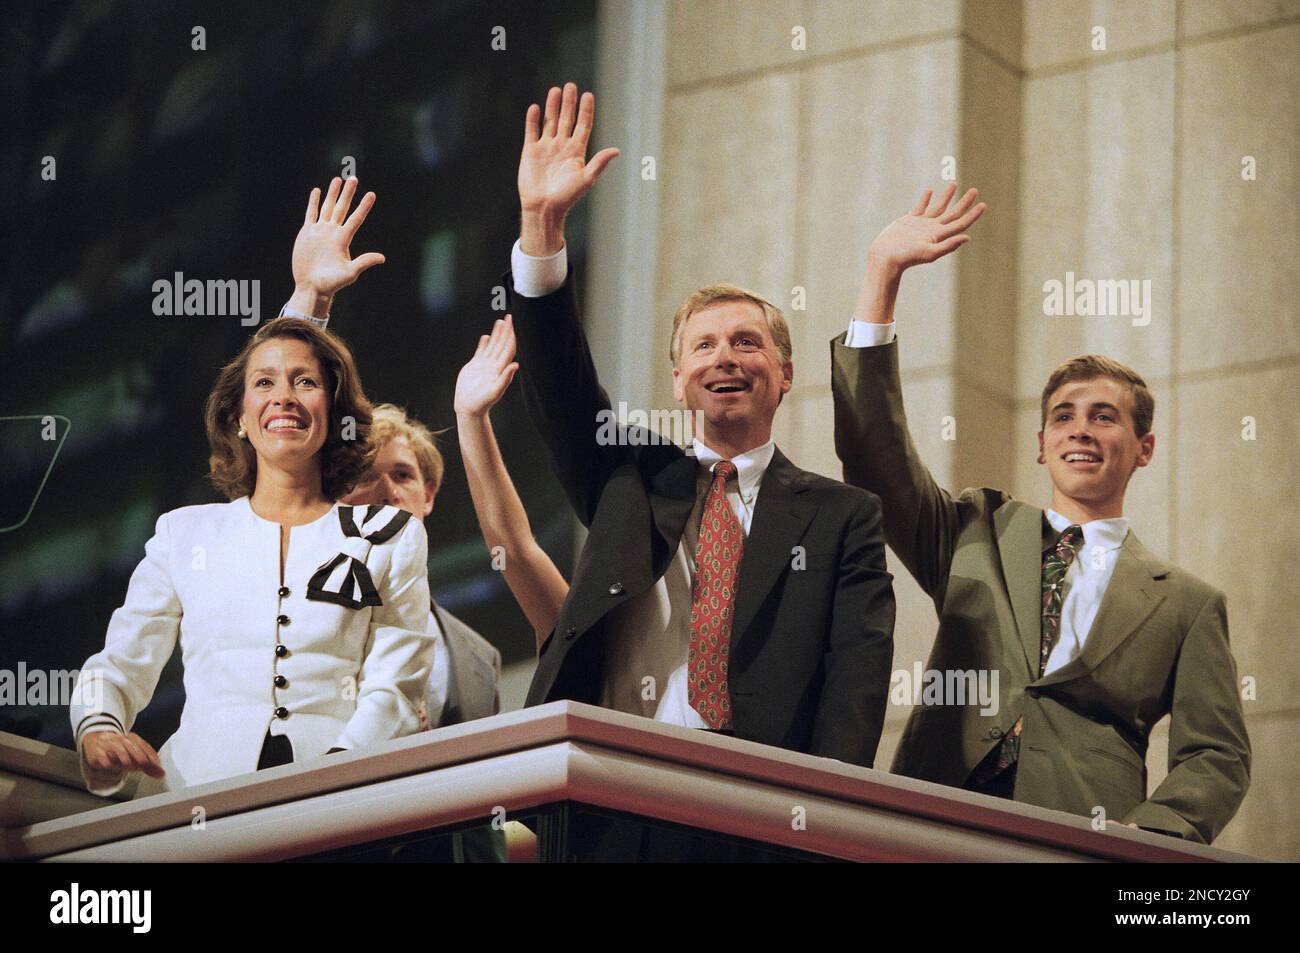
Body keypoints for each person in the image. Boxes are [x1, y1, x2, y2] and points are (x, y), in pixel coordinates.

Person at [831, 184, 1250, 843]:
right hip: (935, 821)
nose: (1080, 430)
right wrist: (880, 278)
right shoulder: (975, 528)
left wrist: (1148, 836)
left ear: (1145, 448)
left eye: (1103, 416)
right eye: (1063, 416)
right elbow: (874, 455)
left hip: (1081, 839)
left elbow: (1217, 753)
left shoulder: (1189, 605)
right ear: (1041, 444)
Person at [506, 83, 896, 771]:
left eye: (747, 343)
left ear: (785, 373)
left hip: (756, 808)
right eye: (704, 346)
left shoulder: (843, 518)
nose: (725, 357)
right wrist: (542, 230)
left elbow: (855, 688)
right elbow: (560, 385)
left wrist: (822, 819)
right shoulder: (626, 475)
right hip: (610, 783)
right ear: (678, 379)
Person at [70, 317, 436, 798]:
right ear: (240, 417)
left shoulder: (390, 537)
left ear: (333, 410)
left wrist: (338, 777)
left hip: (341, 807)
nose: (283, 396)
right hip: (194, 805)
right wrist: (97, 729)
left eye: (305, 381)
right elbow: (119, 665)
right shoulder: (183, 534)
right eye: (264, 382)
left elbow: (396, 690)